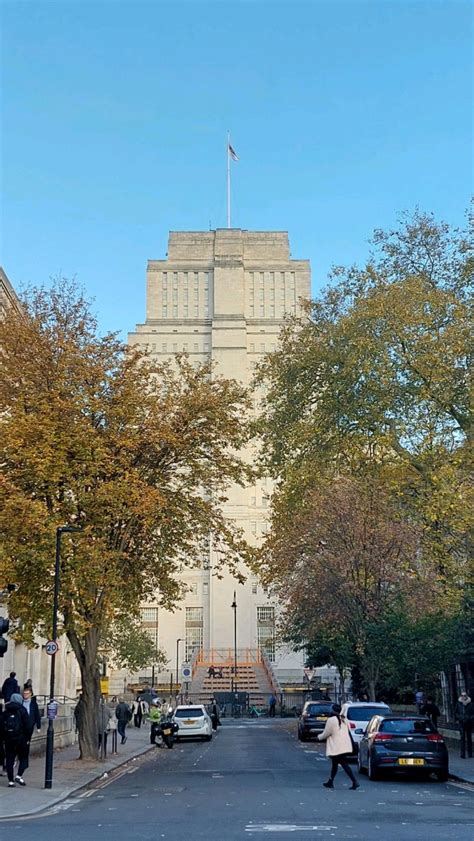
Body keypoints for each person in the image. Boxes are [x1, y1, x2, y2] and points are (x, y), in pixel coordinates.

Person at [316, 703, 359, 790]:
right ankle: (330, 782)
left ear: (332, 711)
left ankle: (355, 781)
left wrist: (319, 737)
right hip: (345, 745)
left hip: (337, 746)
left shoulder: (331, 720)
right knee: (335, 764)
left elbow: (326, 733)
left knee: (344, 764)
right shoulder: (344, 719)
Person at [3, 692, 30, 786]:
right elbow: (28, 725)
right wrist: (27, 738)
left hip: (9, 739)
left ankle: (10, 781)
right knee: (24, 758)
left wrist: (4, 738)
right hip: (21, 739)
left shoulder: (6, 711)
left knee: (9, 760)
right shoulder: (22, 710)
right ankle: (19, 775)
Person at [455, 690, 473, 759]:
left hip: (469, 723)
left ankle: (470, 753)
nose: (463, 697)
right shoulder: (458, 704)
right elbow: (456, 712)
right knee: (462, 738)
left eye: (465, 695)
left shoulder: (471, 704)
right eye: (462, 695)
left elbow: (473, 713)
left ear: (467, 696)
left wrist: (469, 718)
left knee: (469, 738)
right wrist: (459, 717)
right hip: (461, 723)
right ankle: (462, 754)